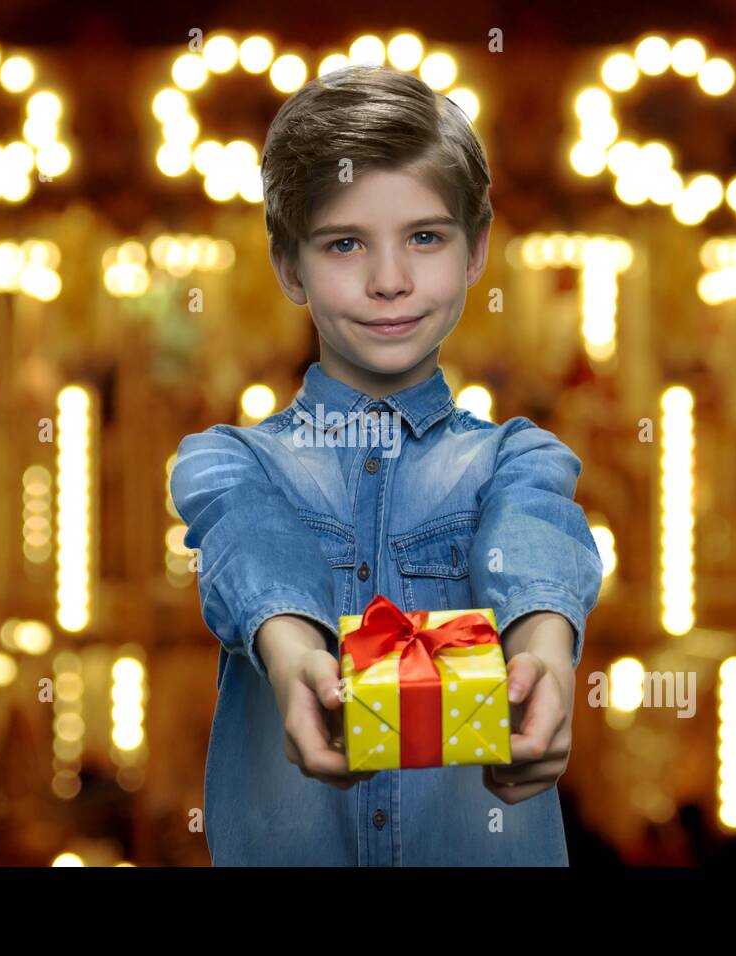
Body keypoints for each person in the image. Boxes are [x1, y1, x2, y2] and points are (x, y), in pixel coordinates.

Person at [170, 65, 604, 866]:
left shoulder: (517, 457)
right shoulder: (229, 463)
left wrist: (542, 650)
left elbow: (537, 533)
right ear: (289, 266)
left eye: (425, 237)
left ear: (476, 251)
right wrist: (294, 653)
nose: (391, 280)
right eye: (344, 244)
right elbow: (257, 546)